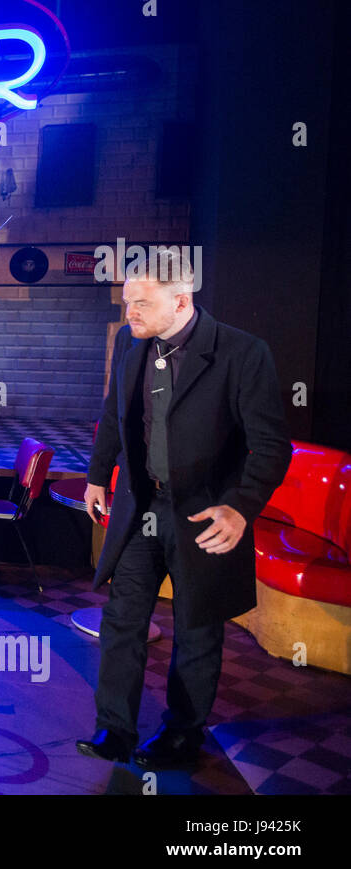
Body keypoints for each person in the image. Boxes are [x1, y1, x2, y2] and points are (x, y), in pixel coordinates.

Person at [77, 248, 291, 769]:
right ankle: (115, 730)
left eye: (142, 304)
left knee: (197, 628)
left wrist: (240, 508)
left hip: (204, 514)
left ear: (181, 300)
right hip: (139, 505)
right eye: (128, 302)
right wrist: (95, 476)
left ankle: (182, 735)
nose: (130, 314)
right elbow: (113, 414)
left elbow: (272, 446)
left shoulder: (242, 353)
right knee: (123, 620)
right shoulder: (133, 344)